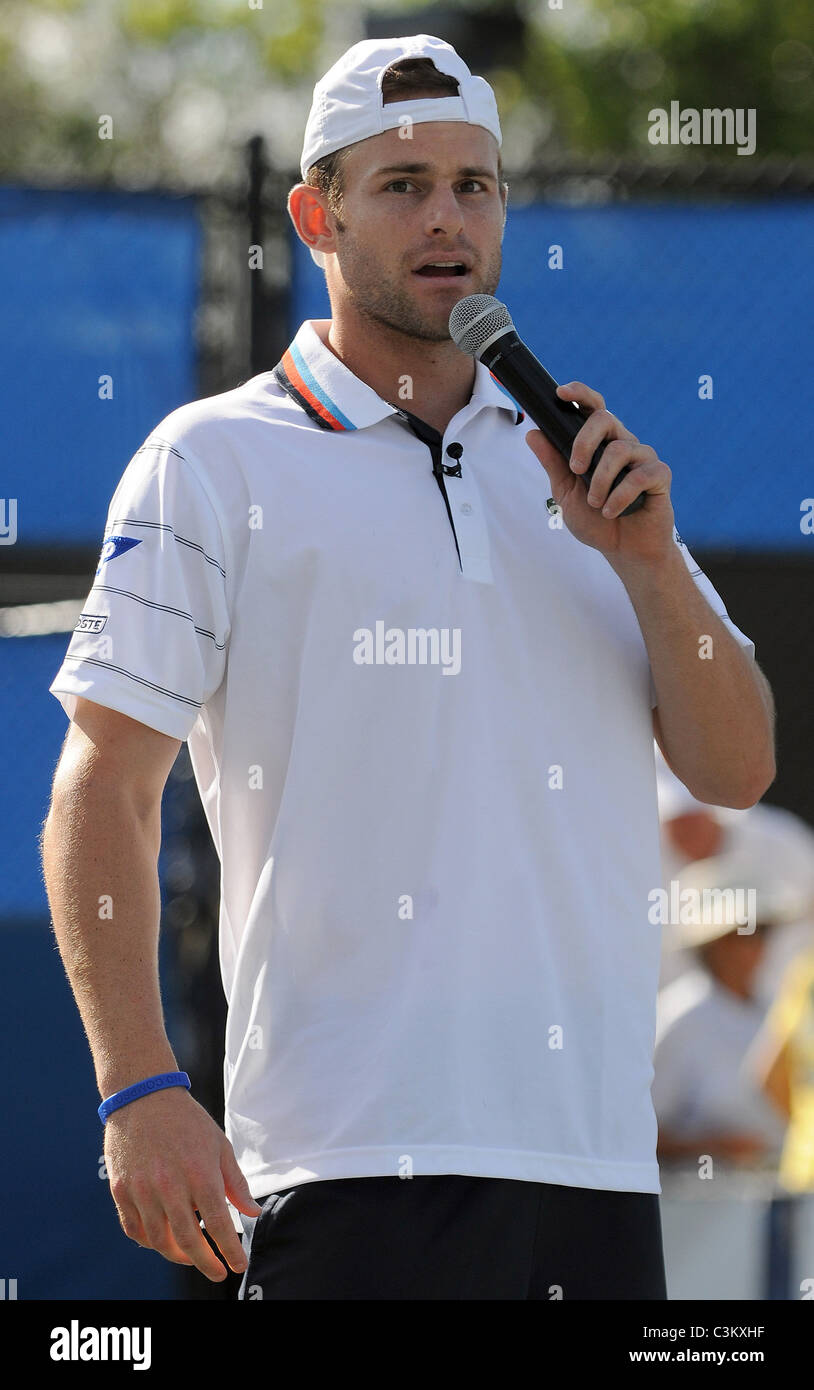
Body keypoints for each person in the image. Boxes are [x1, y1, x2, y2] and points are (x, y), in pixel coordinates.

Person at [41, 34, 775, 1301]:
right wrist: (139, 1086)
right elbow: (99, 787)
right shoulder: (208, 463)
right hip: (344, 1165)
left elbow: (737, 768)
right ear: (315, 215)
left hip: (596, 1173)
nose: (448, 219)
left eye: (473, 186)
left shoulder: (581, 462)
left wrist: (650, 564)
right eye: (402, 186)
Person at [652, 850, 797, 1168]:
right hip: (701, 1210)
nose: (760, 945)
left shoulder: (776, 1008)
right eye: (749, 932)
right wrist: (715, 1147)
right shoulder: (678, 1018)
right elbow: (641, 1131)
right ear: (716, 942)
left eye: (765, 931)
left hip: (779, 1202)